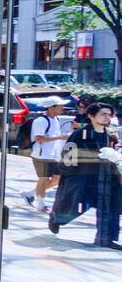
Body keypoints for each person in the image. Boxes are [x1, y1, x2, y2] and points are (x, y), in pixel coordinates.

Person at [50, 103, 119, 248]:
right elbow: (68, 157)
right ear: (91, 116)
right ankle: (57, 218)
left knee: (111, 207)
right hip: (84, 177)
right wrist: (69, 175)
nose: (107, 117)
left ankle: (105, 238)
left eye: (109, 114)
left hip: (108, 178)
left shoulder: (111, 135)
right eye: (103, 114)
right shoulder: (80, 134)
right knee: (76, 205)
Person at [23, 97, 70, 213]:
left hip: (54, 155)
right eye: (60, 106)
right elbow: (39, 138)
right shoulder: (41, 121)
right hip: (41, 155)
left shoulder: (56, 119)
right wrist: (60, 137)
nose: (62, 108)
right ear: (51, 107)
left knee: (56, 180)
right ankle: (41, 204)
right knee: (43, 179)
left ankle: (30, 194)